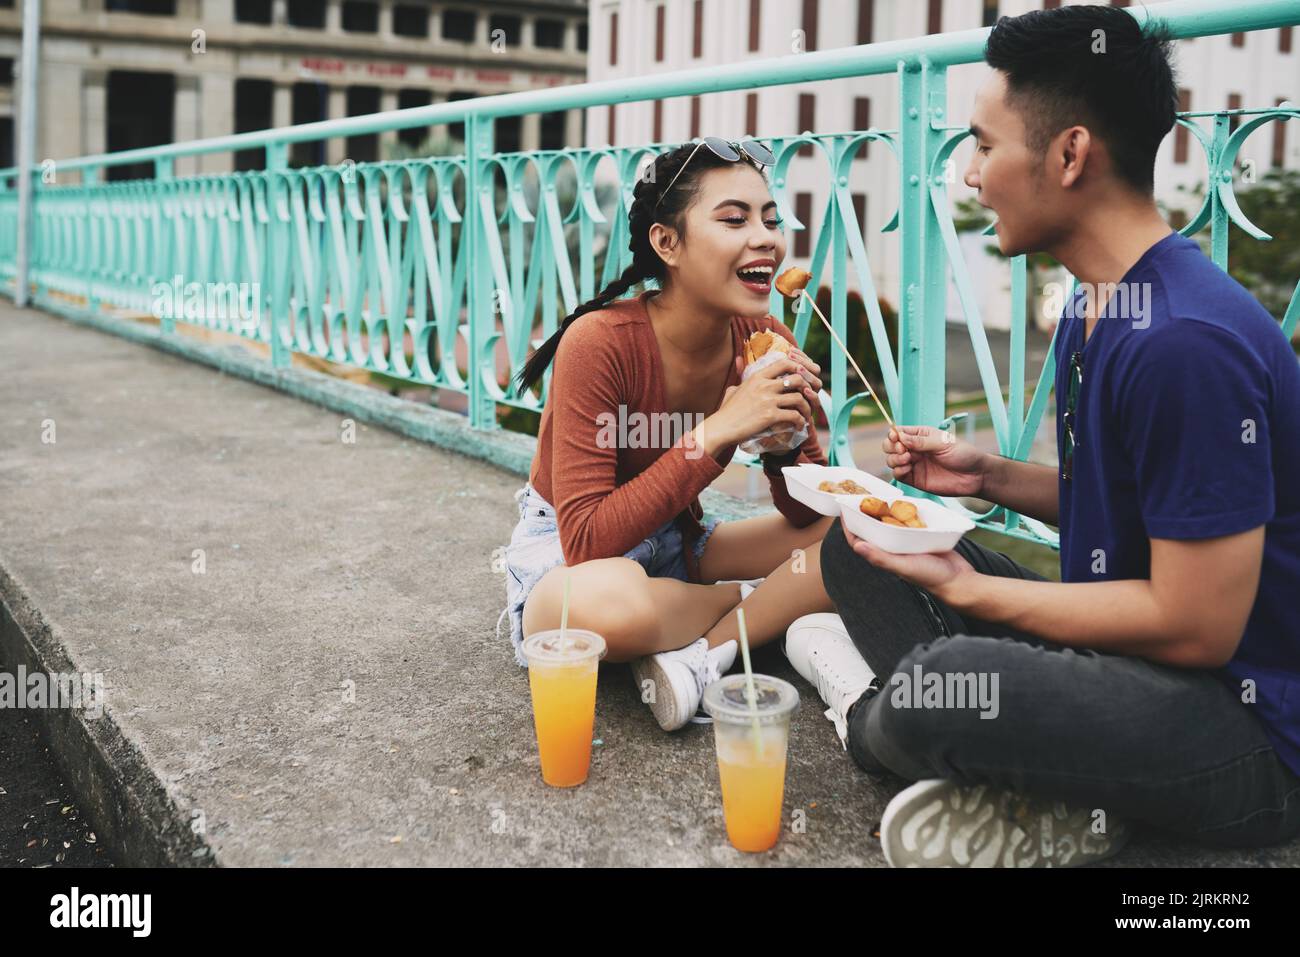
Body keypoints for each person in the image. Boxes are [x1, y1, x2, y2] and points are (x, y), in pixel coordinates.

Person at [783, 5, 1300, 867]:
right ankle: (1034, 776)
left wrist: (974, 593)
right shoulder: (1097, 300)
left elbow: (1196, 622)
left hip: (1244, 729)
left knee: (932, 693)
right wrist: (988, 476)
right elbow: (1139, 513)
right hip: (1120, 659)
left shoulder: (1184, 343)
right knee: (854, 551)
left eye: (985, 145)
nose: (971, 177)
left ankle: (868, 717)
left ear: (1069, 154)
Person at [499, 138, 841, 732]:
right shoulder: (599, 342)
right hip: (573, 555)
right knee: (610, 606)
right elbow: (586, 539)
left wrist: (787, 445)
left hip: (677, 542)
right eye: (734, 219)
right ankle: (763, 606)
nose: (766, 237)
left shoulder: (763, 338)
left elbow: (803, 512)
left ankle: (703, 650)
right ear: (667, 242)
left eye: (770, 219)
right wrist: (720, 431)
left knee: (852, 537)